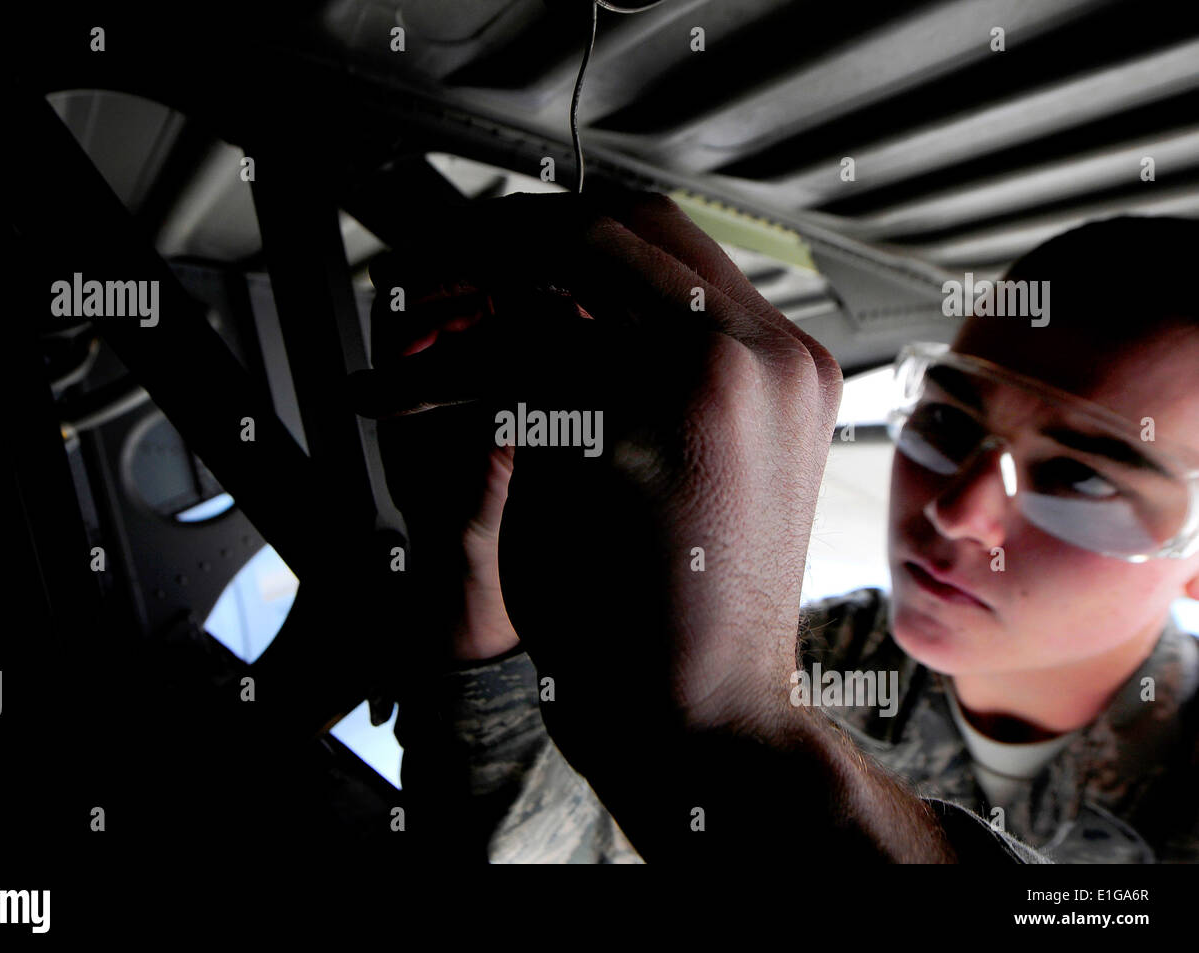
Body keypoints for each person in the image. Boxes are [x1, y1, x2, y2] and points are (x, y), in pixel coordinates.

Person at [351, 194, 1199, 863]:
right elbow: (556, 853)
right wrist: (482, 578)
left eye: (1082, 475)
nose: (958, 511)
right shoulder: (822, 652)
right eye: (947, 422)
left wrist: (747, 734)